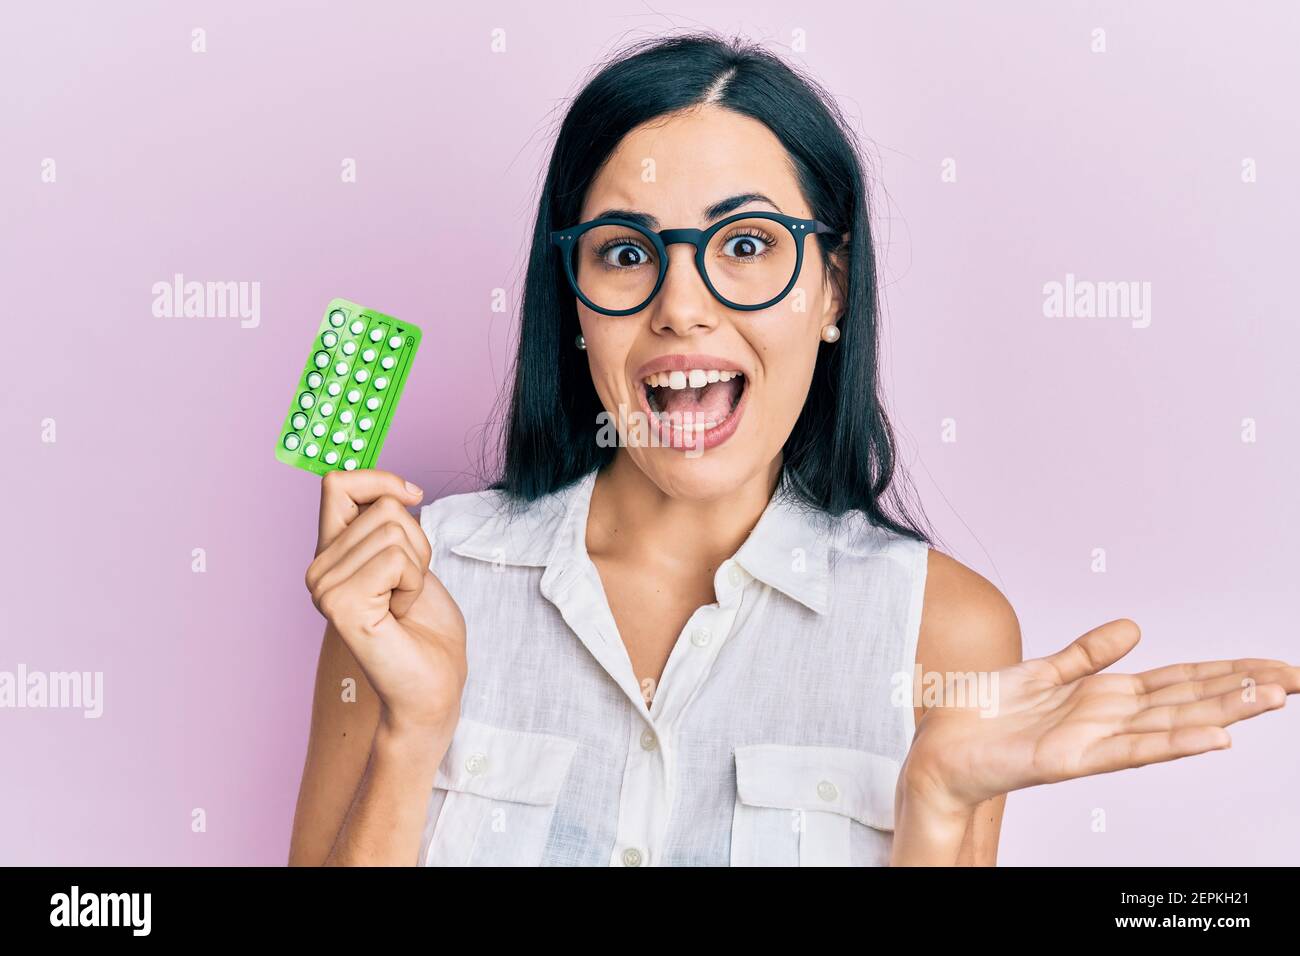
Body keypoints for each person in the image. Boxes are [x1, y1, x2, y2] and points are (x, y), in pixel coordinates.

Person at [287, 32, 1297, 866]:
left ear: (833, 290)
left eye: (746, 245)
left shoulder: (942, 631)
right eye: (627, 253)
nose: (681, 307)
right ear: (575, 301)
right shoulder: (417, 589)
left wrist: (936, 807)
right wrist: (413, 727)